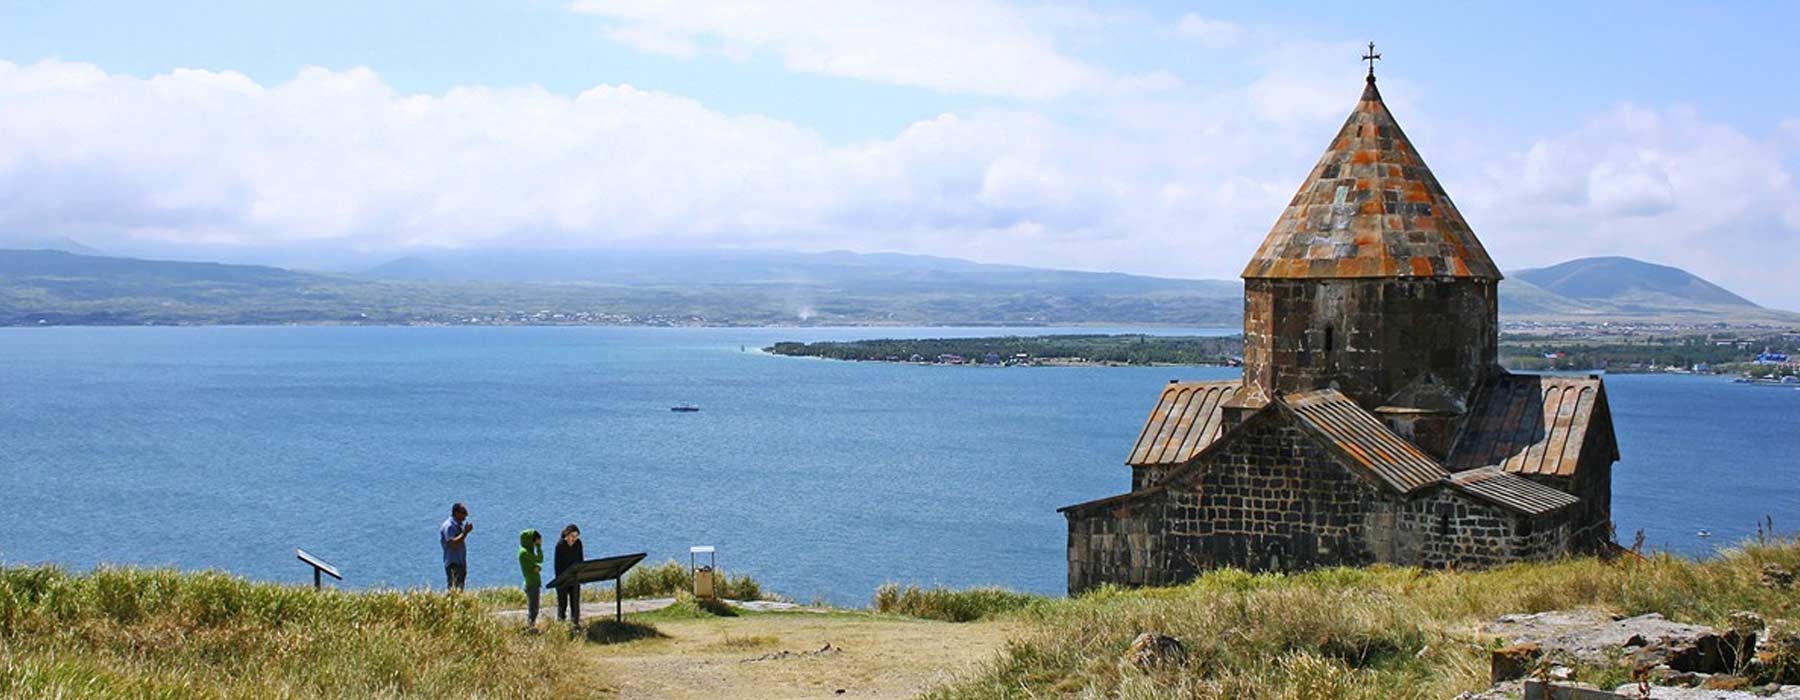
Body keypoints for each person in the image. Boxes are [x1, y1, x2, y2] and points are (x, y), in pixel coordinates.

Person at [554, 524, 584, 625]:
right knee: (562, 604)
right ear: (567, 535)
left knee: (575, 603)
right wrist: (561, 580)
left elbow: (581, 560)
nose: (574, 539)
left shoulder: (578, 543)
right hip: (562, 578)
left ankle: (575, 623)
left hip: (575, 577)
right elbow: (558, 565)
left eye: (576, 536)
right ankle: (561, 624)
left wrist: (580, 574)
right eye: (572, 536)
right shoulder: (560, 545)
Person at [439, 502, 472, 591]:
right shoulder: (449, 526)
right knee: (454, 589)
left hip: (459, 562)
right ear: (456, 513)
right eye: (464, 512)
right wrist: (465, 532)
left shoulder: (457, 525)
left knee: (459, 588)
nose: (466, 515)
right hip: (453, 563)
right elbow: (452, 544)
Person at [518, 529, 544, 626]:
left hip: (534, 582)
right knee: (533, 609)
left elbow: (536, 565)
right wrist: (539, 547)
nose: (536, 544)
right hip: (531, 582)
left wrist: (538, 568)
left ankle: (531, 626)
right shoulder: (524, 552)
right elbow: (539, 559)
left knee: (534, 608)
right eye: (535, 541)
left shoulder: (528, 551)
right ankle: (530, 627)